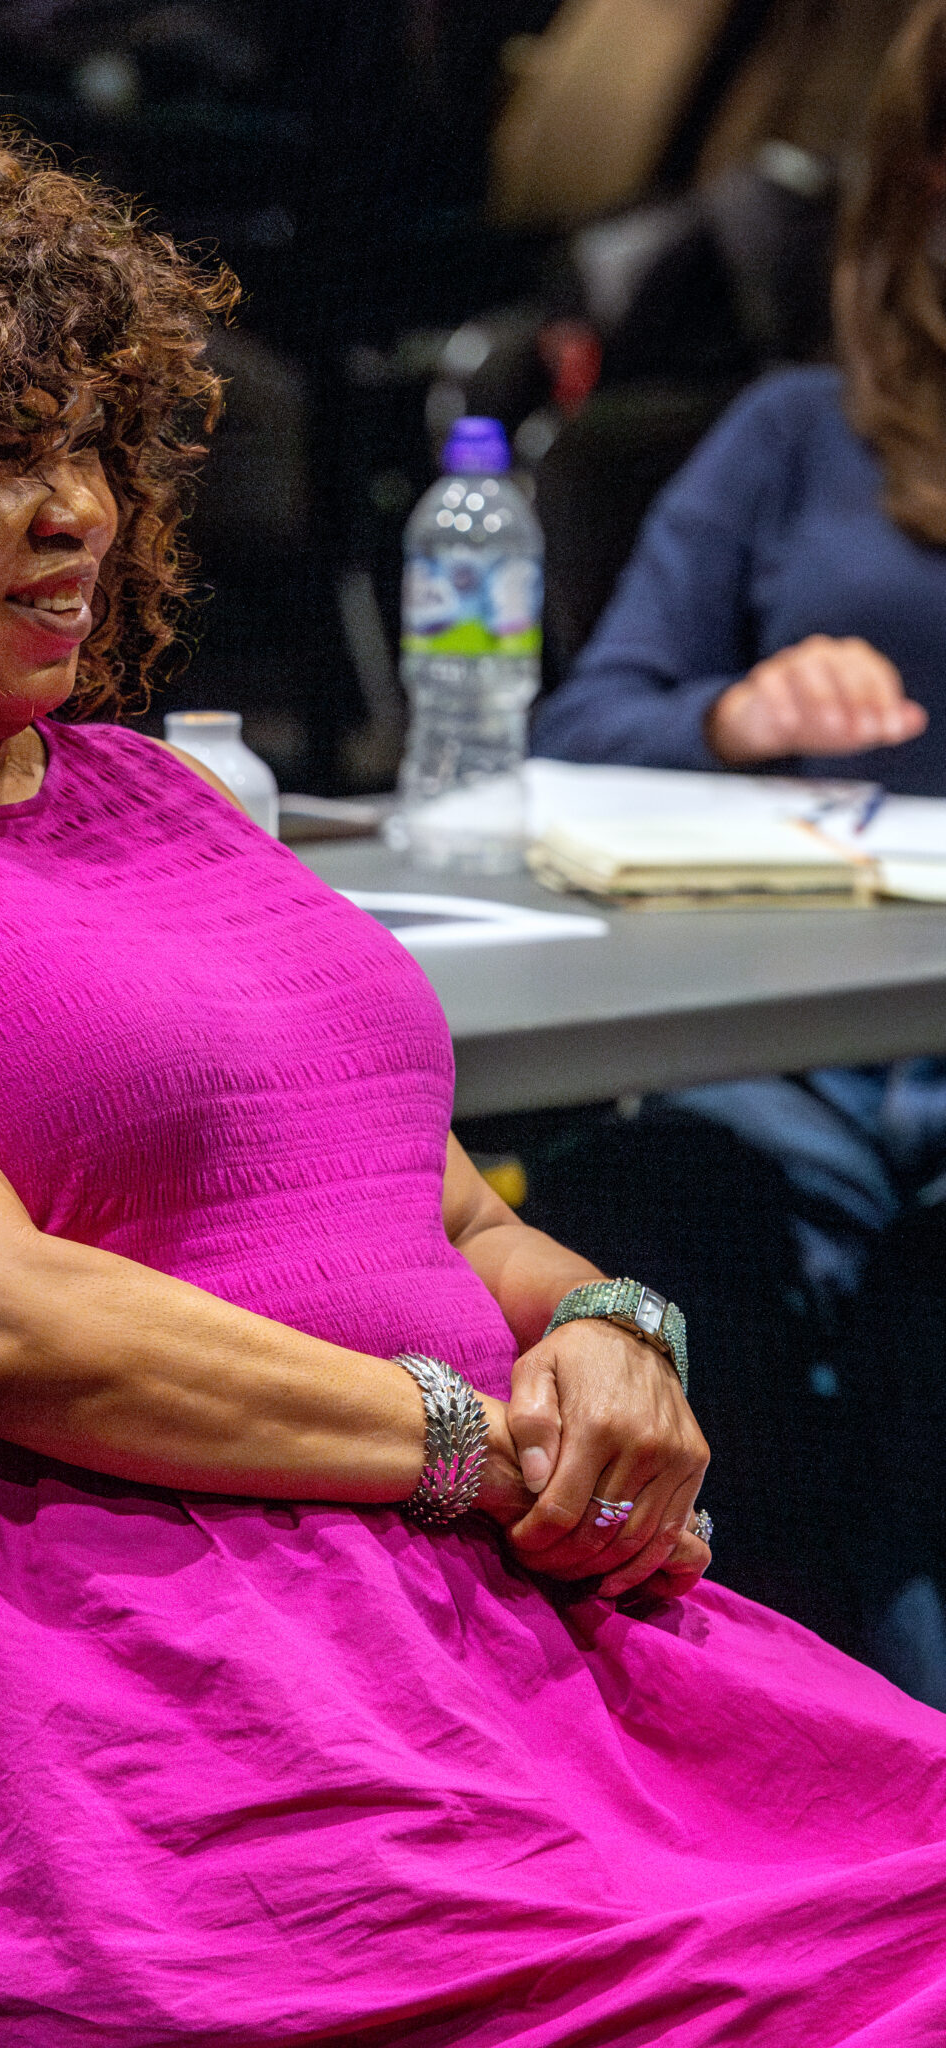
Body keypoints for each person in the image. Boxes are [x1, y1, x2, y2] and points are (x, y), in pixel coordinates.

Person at [0, 90, 946, 2046]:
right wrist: (463, 1437)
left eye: (87, 444)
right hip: (27, 1666)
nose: (73, 509)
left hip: (437, 1621)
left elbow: (433, 1207)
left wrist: (604, 1330)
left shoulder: (154, 792)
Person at [532, 0, 946, 1690]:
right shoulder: (797, 432)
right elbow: (578, 727)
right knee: (655, 1203)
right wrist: (737, 718)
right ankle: (734, 1733)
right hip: (794, 1046)